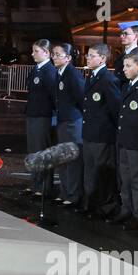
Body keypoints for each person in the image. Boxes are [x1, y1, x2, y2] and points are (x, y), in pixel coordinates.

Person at [79, 43, 122, 221]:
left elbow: (115, 110)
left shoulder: (108, 80)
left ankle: (106, 207)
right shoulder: (92, 77)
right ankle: (91, 204)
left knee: (102, 173)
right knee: (90, 172)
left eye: (92, 55)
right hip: (90, 133)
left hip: (103, 135)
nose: (87, 58)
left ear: (103, 58)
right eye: (87, 55)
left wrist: (110, 132)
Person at [114, 51, 138, 230]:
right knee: (125, 178)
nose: (124, 69)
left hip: (137, 143)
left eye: (129, 66)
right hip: (124, 140)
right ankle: (126, 209)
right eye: (124, 66)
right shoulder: (127, 86)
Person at [24, 39, 58, 202]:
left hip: (43, 116)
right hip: (33, 114)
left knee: (41, 151)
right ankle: (35, 184)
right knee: (33, 151)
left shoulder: (49, 71)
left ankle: (44, 187)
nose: (32, 54)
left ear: (46, 52)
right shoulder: (36, 69)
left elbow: (53, 96)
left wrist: (53, 116)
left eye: (36, 51)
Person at [51, 42, 84, 206]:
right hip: (63, 121)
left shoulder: (73, 74)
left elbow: (81, 98)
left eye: (58, 54)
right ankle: (64, 192)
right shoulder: (60, 73)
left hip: (72, 122)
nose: (54, 57)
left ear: (68, 58)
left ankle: (73, 195)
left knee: (72, 160)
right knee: (63, 158)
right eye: (53, 54)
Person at [116, 21, 138, 85]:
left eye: (125, 34)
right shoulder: (122, 55)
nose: (121, 36)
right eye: (121, 34)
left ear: (136, 36)